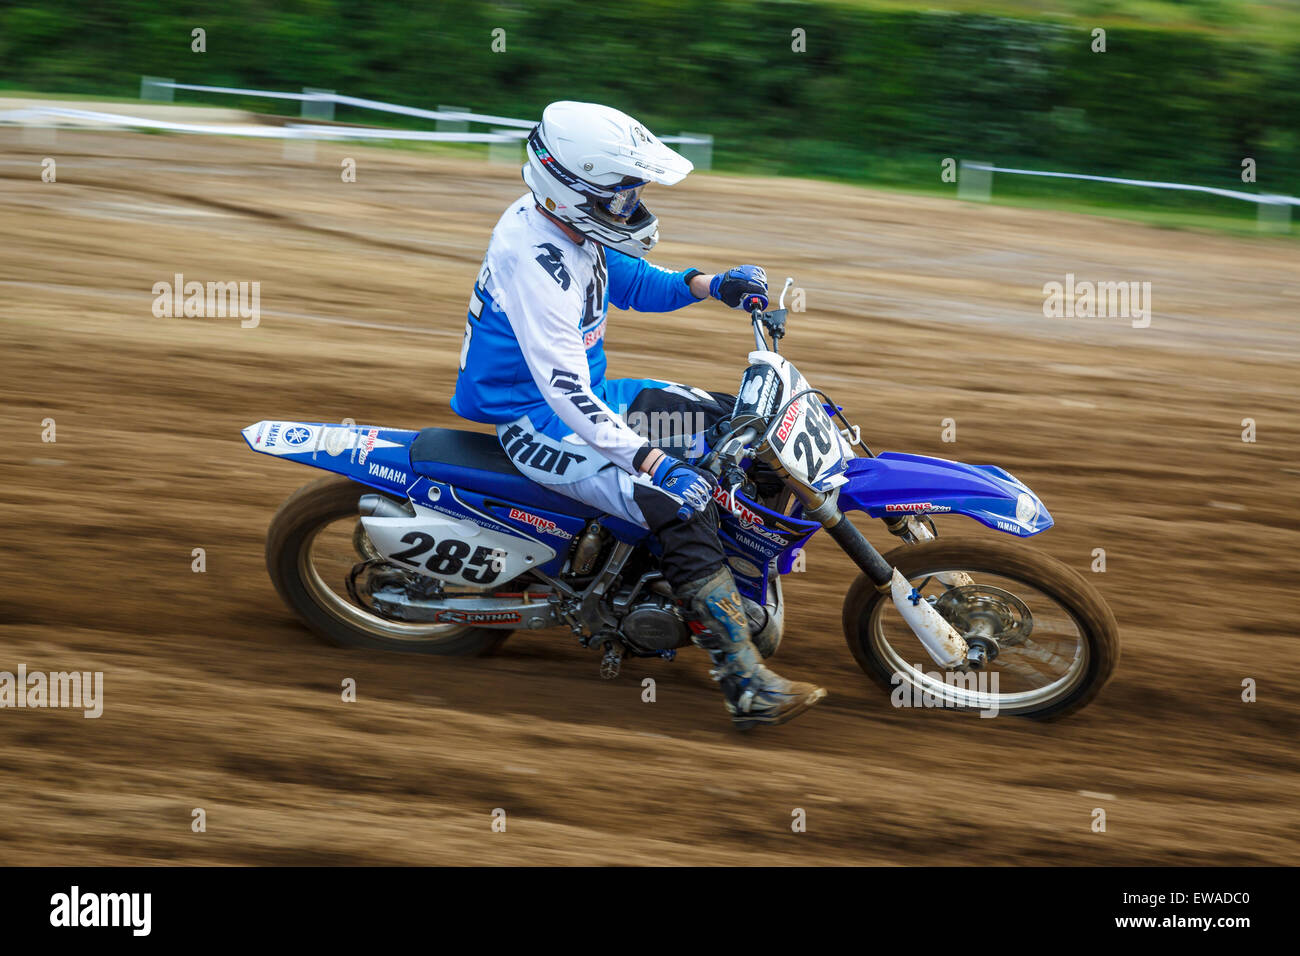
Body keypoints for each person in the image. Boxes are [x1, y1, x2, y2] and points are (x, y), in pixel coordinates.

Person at [451, 101, 825, 729]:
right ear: (573, 187)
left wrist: (711, 285)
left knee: (745, 428)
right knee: (676, 500)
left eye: (633, 190)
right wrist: (654, 463)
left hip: (589, 399)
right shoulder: (534, 257)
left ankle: (710, 581)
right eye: (622, 192)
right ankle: (744, 683)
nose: (632, 202)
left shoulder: (570, 229)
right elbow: (566, 391)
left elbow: (625, 279)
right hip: (542, 420)